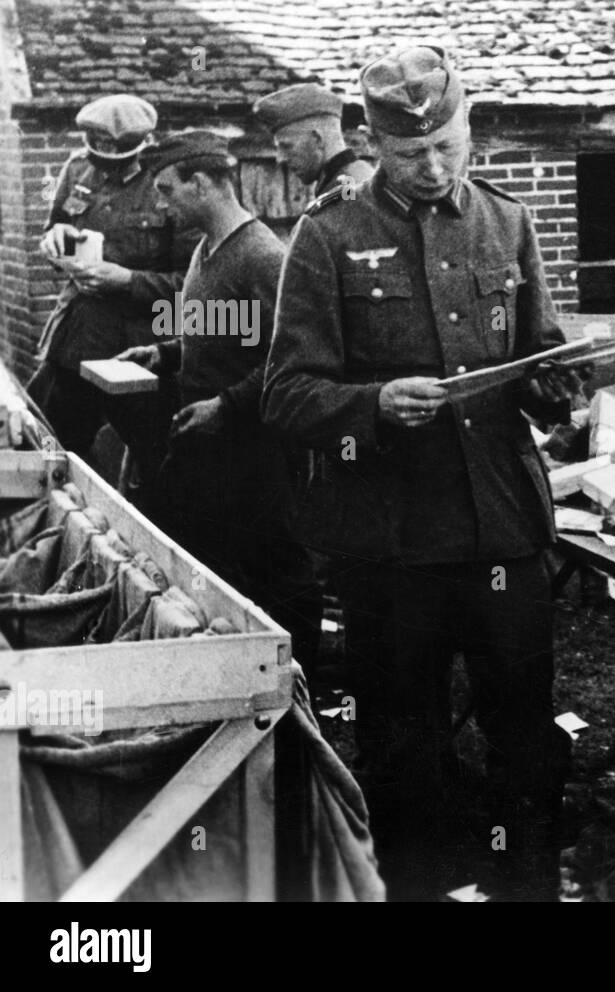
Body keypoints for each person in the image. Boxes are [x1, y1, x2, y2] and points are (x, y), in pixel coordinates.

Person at [261, 46, 575, 901]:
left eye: (448, 146)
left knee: (525, 738)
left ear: (468, 128)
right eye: (409, 156)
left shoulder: (509, 222)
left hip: (504, 530)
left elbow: (538, 349)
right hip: (391, 548)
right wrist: (370, 406)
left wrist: (556, 382)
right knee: (406, 752)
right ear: (371, 143)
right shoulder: (328, 237)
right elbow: (285, 393)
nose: (433, 169)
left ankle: (530, 888)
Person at [116, 131, 322, 676]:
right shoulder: (207, 251)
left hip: (255, 446)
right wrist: (165, 352)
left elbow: (291, 356)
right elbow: (226, 331)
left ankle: (299, 686)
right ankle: (235, 680)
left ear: (202, 183)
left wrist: (226, 407)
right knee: (215, 564)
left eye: (167, 190)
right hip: (211, 443)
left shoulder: (261, 256)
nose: (161, 205)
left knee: (278, 568)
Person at [29, 94, 194, 462]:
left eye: (117, 160)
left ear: (140, 147)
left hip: (139, 348)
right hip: (76, 339)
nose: (106, 170)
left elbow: (195, 286)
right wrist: (55, 242)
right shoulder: (77, 168)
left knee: (156, 453)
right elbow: (56, 227)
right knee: (44, 441)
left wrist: (127, 280)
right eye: (98, 158)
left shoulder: (166, 183)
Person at [252, 83, 375, 197]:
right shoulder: (352, 179)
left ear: (317, 139)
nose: (280, 158)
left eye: (287, 146)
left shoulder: (347, 191)